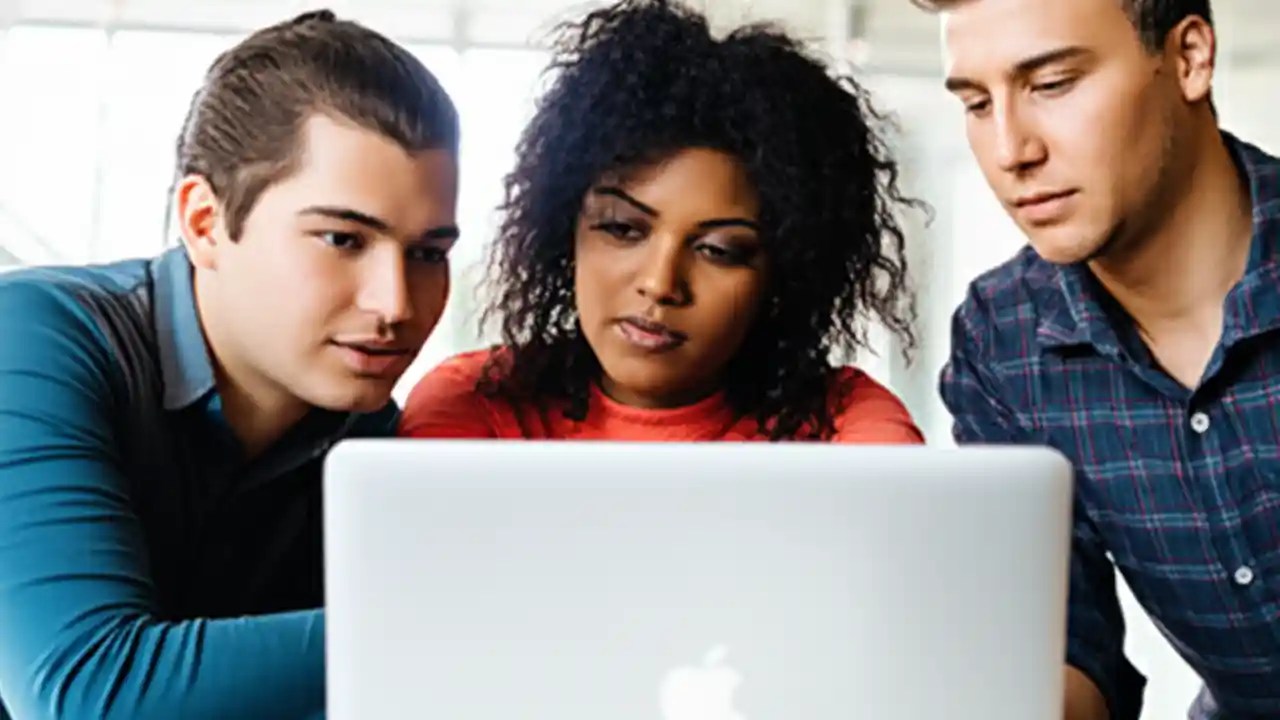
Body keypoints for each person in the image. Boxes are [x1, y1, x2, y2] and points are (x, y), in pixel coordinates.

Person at [0, 10, 459, 720]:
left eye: (428, 253)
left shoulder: (369, 436)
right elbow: (86, 692)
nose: (396, 303)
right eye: (342, 239)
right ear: (204, 222)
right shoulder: (35, 336)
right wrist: (461, 623)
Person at [918, 0, 1280, 717]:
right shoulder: (1002, 343)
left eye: (1052, 84)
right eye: (978, 104)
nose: (1011, 150)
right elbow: (1063, 652)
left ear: (1189, 58)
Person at [400, 0, 923, 444]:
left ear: (784, 273)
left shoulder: (843, 423)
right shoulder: (477, 405)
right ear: (567, 229)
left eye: (719, 250)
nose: (659, 283)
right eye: (622, 229)